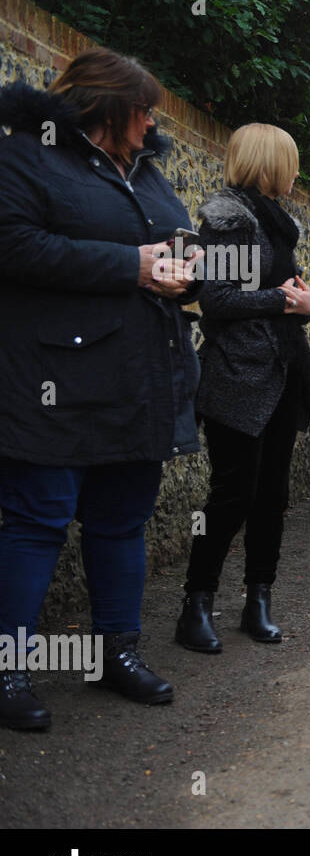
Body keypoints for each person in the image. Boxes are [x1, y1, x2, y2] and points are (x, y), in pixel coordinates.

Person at [0, 48, 203, 729]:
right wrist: (132, 266)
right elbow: (14, 246)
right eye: (143, 109)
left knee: (122, 518)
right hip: (53, 379)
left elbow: (170, 250)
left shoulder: (147, 171)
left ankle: (117, 652)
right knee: (39, 520)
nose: (152, 123)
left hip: (139, 379)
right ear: (107, 105)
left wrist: (189, 268)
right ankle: (7, 669)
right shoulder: (28, 155)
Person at [175, 123, 310, 654]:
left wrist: (308, 306)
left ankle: (259, 598)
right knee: (232, 495)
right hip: (238, 376)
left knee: (272, 495)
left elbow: (296, 294)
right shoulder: (228, 219)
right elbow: (216, 300)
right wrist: (280, 301)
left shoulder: (278, 223)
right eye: (291, 160)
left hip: (282, 374)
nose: (297, 171)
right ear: (269, 162)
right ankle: (196, 605)